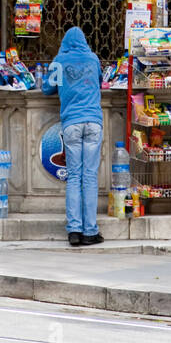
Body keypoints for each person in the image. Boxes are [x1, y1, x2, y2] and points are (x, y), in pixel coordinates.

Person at [45, 26, 104, 247]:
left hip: (71, 123)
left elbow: (46, 88)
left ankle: (74, 231)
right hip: (93, 122)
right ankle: (90, 231)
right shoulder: (93, 59)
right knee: (89, 176)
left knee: (74, 176)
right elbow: (99, 82)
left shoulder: (59, 61)